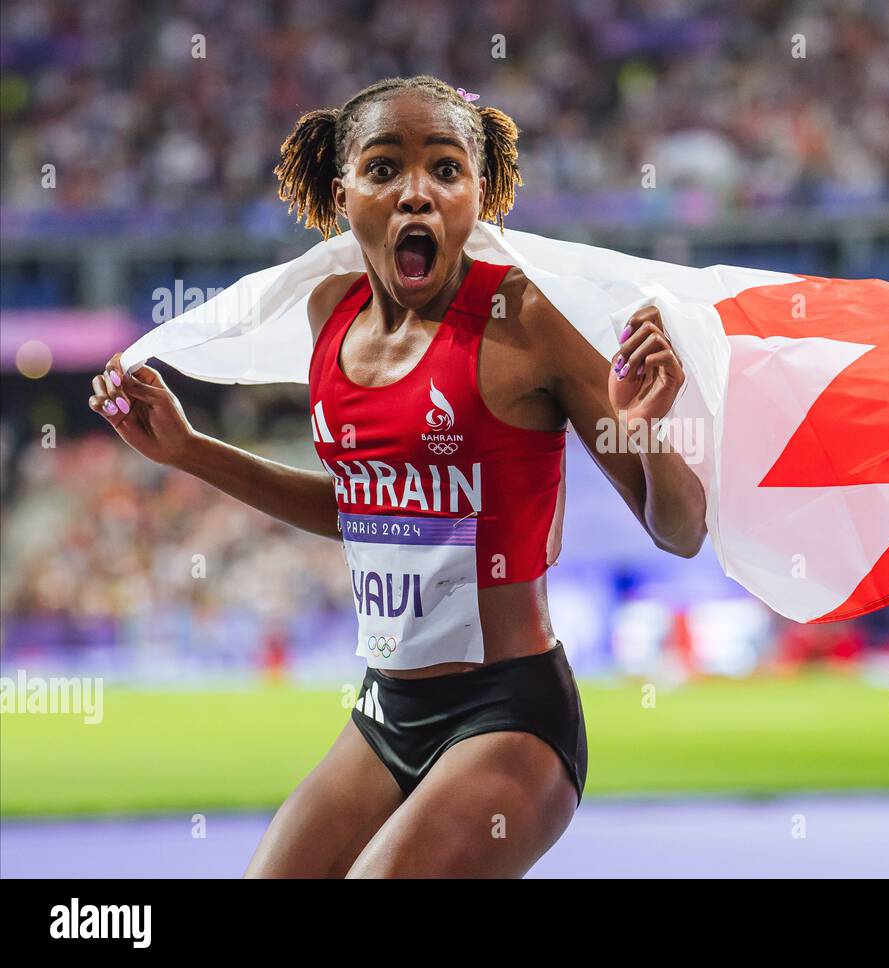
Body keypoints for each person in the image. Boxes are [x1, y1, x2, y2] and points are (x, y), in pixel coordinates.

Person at [87, 75, 707, 877]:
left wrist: (649, 430)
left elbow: (680, 530)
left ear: (480, 196)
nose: (417, 192)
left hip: (510, 715)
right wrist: (189, 451)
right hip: (385, 710)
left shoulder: (528, 322)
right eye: (384, 168)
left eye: (446, 170)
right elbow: (360, 511)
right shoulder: (329, 315)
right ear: (340, 192)